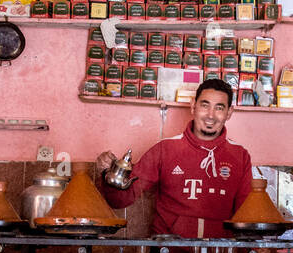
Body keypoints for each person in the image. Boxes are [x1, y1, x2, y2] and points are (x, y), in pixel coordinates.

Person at [95, 78, 254, 237]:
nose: (210, 115)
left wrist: (254, 251)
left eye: (219, 108)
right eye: (204, 105)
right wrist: (108, 175)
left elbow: (247, 213)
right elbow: (120, 200)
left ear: (229, 112)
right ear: (193, 106)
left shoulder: (240, 156)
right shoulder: (164, 149)